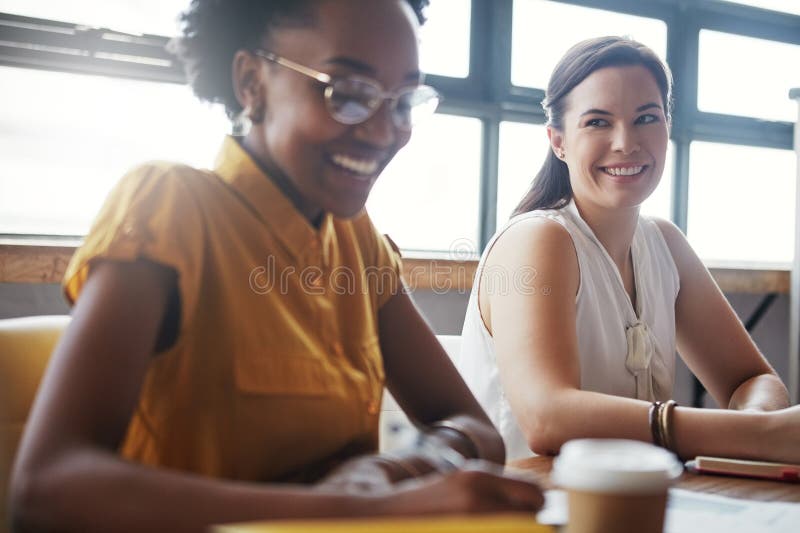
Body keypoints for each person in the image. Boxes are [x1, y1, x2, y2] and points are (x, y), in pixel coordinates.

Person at [9, 1, 544, 531]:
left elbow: (476, 428)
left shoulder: (357, 242)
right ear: (250, 81)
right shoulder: (171, 208)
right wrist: (371, 509)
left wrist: (389, 468)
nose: (385, 132)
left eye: (403, 102)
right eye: (349, 94)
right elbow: (49, 489)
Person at [456, 36, 800, 462]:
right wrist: (760, 434)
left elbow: (750, 379)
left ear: (668, 128)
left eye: (647, 118)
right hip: (527, 513)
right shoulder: (538, 239)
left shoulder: (666, 244)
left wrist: (755, 422)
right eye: (598, 122)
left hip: (635, 504)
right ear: (557, 141)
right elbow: (548, 419)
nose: (626, 142)